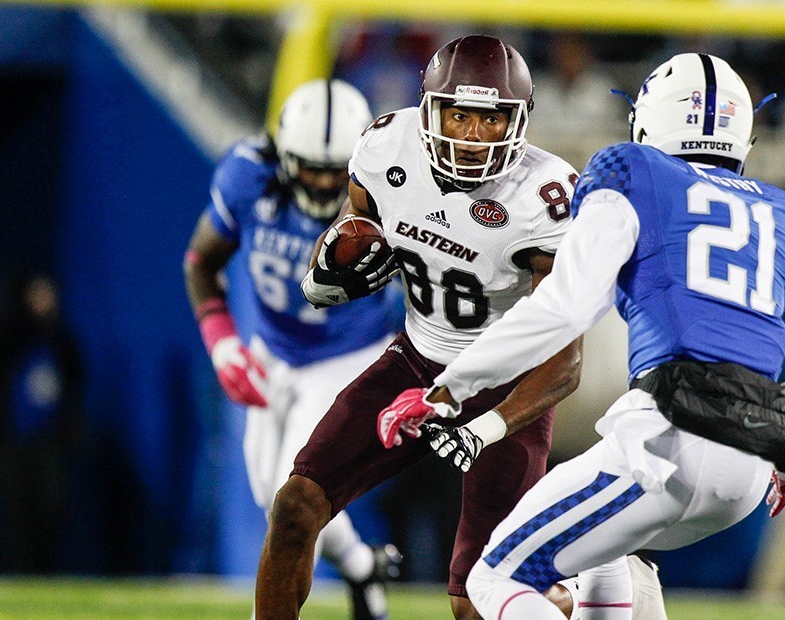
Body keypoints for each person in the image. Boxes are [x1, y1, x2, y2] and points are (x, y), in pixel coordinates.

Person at [378, 52, 785, 619]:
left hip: (667, 440)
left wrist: (450, 387)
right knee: (602, 554)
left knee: (495, 577)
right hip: (751, 472)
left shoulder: (633, 171)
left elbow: (563, 308)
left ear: (648, 119)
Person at [254, 35, 666, 620]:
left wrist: (489, 427)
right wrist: (334, 269)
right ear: (430, 111)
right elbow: (357, 230)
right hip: (417, 361)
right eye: (460, 115)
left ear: (518, 123)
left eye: (491, 119)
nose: (473, 134)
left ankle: (601, 592)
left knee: (476, 599)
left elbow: (562, 362)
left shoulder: (544, 198)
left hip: (506, 385)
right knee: (295, 505)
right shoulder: (383, 146)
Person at [183, 78, 402, 620]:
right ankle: (360, 565)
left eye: (337, 169)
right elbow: (200, 263)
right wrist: (222, 343)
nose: (326, 182)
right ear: (282, 154)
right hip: (275, 347)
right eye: (311, 166)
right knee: (267, 495)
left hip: (349, 352)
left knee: (292, 492)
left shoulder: (389, 192)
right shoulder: (246, 175)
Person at [0, 272, 84, 573]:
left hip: (50, 440)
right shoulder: (7, 337)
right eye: (37, 294)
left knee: (50, 508)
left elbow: (75, 383)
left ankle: (45, 571)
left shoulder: (61, 340)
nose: (44, 301)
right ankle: (20, 571)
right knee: (17, 511)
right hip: (13, 440)